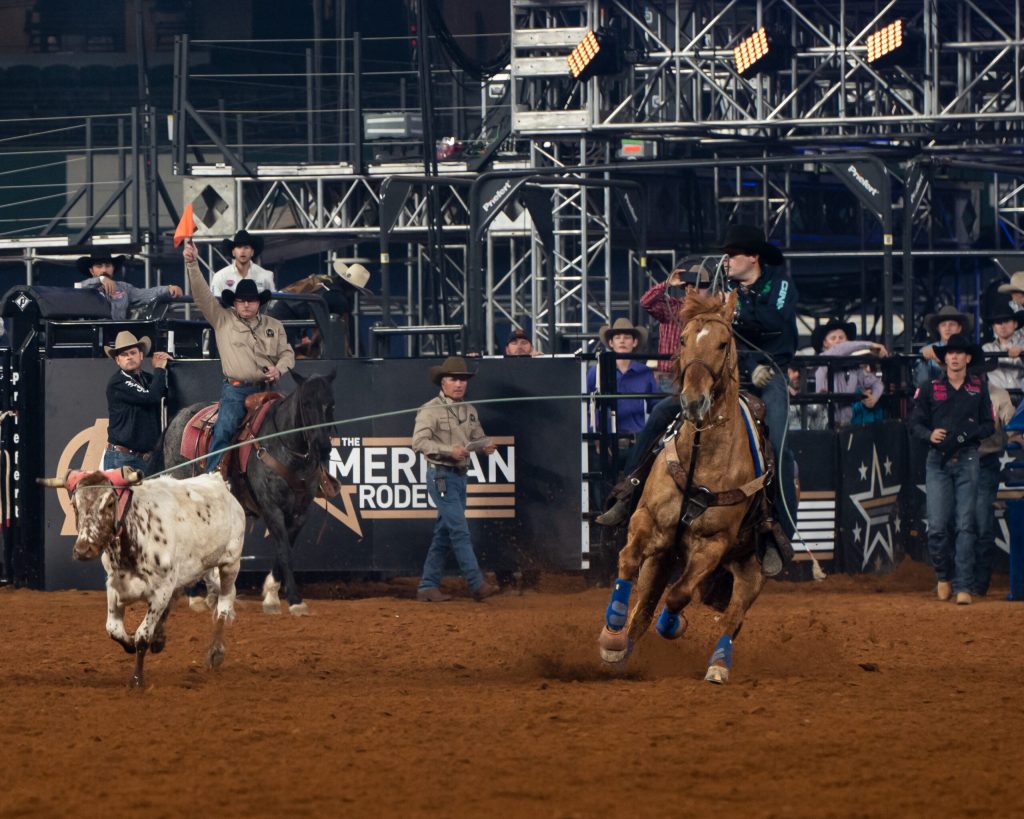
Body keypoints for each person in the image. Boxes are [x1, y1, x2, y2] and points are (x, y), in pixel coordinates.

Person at [182, 241, 294, 474]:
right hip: (236, 391)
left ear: (259, 303)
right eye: (241, 300)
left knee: (292, 427)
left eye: (251, 300)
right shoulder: (222, 320)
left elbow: (287, 353)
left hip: (269, 388)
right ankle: (211, 478)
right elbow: (202, 295)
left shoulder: (274, 325)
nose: (245, 304)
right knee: (224, 429)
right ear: (234, 302)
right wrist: (191, 263)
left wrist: (279, 369)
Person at [724, 225, 799, 572]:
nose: (726, 262)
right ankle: (629, 490)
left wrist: (744, 308)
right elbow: (726, 333)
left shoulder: (779, 284)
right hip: (732, 375)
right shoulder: (727, 289)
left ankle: (780, 534)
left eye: (732, 256)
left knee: (779, 449)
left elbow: (777, 325)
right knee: (670, 417)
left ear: (752, 258)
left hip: (772, 376)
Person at [909, 334, 994, 605]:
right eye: (950, 353)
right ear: (944, 358)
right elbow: (914, 423)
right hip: (938, 461)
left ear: (968, 358)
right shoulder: (930, 387)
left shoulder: (979, 388)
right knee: (936, 526)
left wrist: (970, 434)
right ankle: (944, 576)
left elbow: (989, 425)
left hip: (968, 458)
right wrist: (929, 434)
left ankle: (963, 585)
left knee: (966, 525)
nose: (955, 357)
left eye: (960, 353)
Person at [411, 356, 499, 603]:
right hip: (440, 475)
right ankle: (476, 583)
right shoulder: (430, 410)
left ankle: (427, 585)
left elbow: (478, 437)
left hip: (459, 477)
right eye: (453, 379)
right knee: (459, 530)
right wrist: (451, 450)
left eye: (462, 379)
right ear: (443, 382)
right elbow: (417, 442)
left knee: (445, 532)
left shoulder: (470, 411)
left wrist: (486, 445)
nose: (459, 384)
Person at [102, 330, 171, 474]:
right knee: (122, 497)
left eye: (132, 353)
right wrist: (159, 368)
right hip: (122, 458)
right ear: (117, 360)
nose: (129, 357)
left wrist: (170, 363)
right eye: (124, 355)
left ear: (141, 355)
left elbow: (165, 393)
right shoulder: (117, 382)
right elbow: (151, 398)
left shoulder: (148, 379)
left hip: (148, 458)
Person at [640, 257, 710, 392]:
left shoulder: (712, 314)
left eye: (701, 286)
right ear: (685, 288)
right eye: (690, 285)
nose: (695, 290)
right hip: (670, 379)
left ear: (708, 289)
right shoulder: (672, 307)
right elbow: (645, 302)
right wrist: (667, 283)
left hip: (701, 378)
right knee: (664, 412)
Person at [975, 383, 1015, 598]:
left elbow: (1011, 422)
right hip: (958, 461)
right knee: (954, 521)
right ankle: (959, 578)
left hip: (984, 461)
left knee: (981, 524)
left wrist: (1015, 432)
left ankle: (979, 582)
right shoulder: (952, 392)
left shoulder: (998, 395)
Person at [586, 318, 660, 434]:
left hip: (637, 440)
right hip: (605, 440)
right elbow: (586, 407)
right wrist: (595, 437)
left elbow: (656, 407)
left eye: (627, 337)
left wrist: (650, 436)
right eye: (617, 337)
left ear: (634, 342)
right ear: (611, 343)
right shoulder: (596, 371)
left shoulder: (645, 372)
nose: (622, 341)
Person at [811, 318, 888, 427]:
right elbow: (839, 349)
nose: (838, 341)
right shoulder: (822, 361)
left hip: (848, 427)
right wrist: (870, 345)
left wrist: (874, 397)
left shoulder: (854, 368)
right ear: (825, 344)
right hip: (825, 426)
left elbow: (877, 383)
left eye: (841, 338)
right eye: (833, 338)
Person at [75, 253, 183, 320]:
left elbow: (145, 294)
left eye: (108, 266)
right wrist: (100, 279)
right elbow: (79, 287)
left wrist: (168, 288)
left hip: (118, 332)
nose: (104, 270)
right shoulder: (84, 286)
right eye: (99, 266)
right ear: (91, 271)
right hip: (90, 332)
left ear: (113, 268)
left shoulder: (123, 288)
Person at [915, 305, 973, 388]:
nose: (947, 328)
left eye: (952, 324)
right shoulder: (926, 350)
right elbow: (920, 383)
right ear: (938, 329)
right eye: (943, 325)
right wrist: (924, 360)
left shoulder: (969, 350)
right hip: (934, 395)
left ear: (959, 328)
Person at [210, 230, 276, 299]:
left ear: (252, 252)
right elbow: (214, 304)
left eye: (246, 247)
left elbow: (273, 303)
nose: (242, 251)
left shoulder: (266, 276)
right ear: (233, 252)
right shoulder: (220, 276)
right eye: (239, 247)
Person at [980, 307, 1024, 392]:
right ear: (993, 327)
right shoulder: (987, 349)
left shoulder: (1022, 345)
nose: (1003, 326)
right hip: (997, 400)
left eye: (1007, 321)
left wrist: (1022, 352)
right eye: (998, 322)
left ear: (1015, 324)